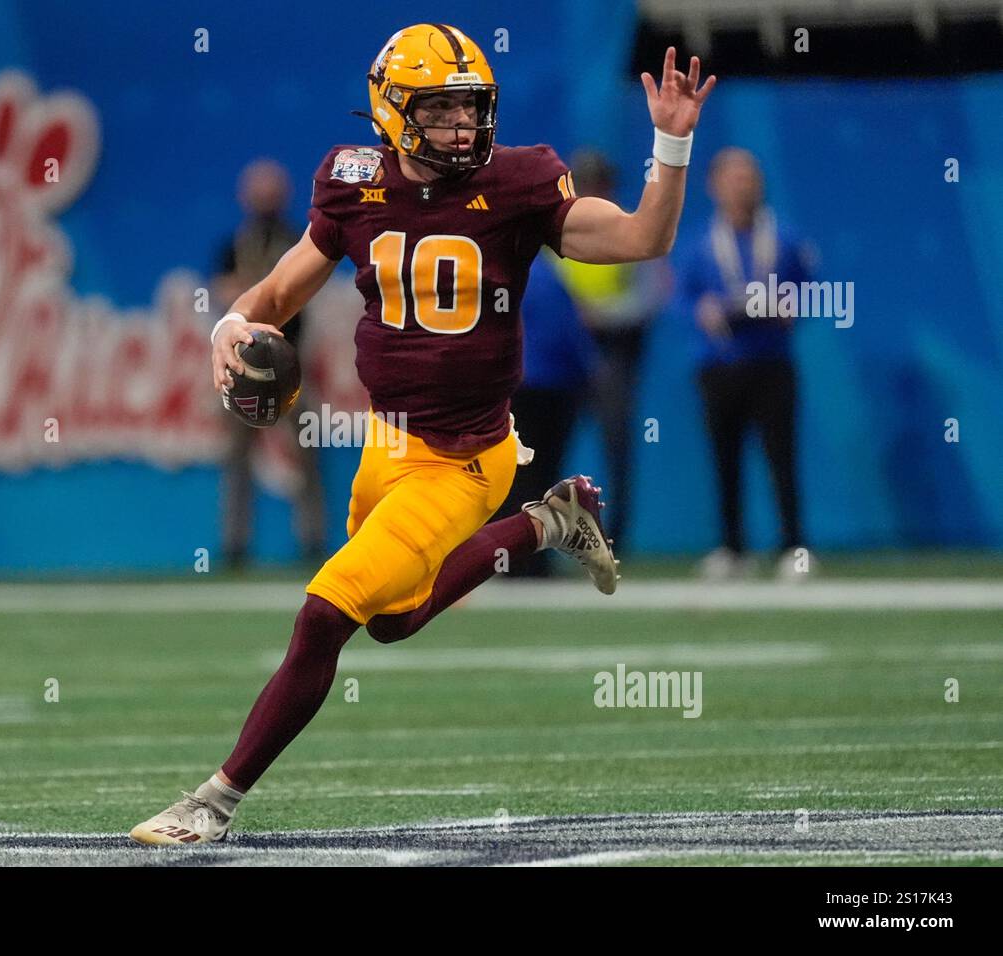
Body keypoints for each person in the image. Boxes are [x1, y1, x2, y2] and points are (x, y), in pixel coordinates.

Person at [130, 24, 715, 845]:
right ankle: (549, 519)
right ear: (393, 113)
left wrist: (671, 144)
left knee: (324, 616)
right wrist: (230, 324)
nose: (461, 130)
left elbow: (642, 239)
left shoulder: (519, 183)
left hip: (466, 459)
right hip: (386, 443)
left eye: (470, 111)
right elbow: (282, 287)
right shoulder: (352, 181)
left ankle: (214, 800)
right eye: (440, 113)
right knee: (394, 620)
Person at [683, 148, 812, 581]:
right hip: (719, 365)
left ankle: (793, 547)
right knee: (724, 459)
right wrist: (702, 312)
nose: (743, 185)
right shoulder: (701, 243)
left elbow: (812, 292)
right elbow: (679, 299)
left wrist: (791, 307)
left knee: (782, 458)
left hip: (771, 362)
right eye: (733, 177)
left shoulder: (785, 238)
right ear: (714, 185)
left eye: (749, 177)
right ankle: (731, 547)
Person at [555, 150, 672, 554]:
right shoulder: (553, 230)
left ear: (608, 188)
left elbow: (652, 295)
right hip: (559, 358)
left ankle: (612, 539)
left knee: (616, 447)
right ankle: (535, 542)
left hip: (613, 355)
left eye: (595, 184)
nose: (588, 192)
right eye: (581, 184)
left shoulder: (629, 230)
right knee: (542, 447)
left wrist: (599, 315)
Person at [213, 159, 325, 569]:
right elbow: (223, 291)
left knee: (308, 451)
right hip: (242, 367)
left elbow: (302, 291)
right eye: (259, 194)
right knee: (237, 457)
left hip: (289, 363)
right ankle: (234, 546)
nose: (265, 201)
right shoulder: (234, 244)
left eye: (271, 193)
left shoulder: (298, 239)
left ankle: (312, 540)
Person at [492, 249, 599, 578]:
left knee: (513, 479)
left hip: (511, 389)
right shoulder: (545, 276)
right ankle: (530, 558)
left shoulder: (500, 272)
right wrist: (591, 371)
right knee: (539, 478)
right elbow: (566, 333)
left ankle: (509, 558)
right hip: (548, 389)